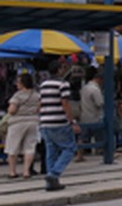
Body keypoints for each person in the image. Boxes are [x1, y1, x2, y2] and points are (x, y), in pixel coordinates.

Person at [38, 58, 81, 190]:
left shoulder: (43, 85)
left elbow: (40, 103)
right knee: (69, 148)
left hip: (45, 122)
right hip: (59, 121)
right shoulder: (63, 84)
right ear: (59, 70)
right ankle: (54, 174)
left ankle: (51, 182)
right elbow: (65, 103)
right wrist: (72, 121)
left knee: (51, 152)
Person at [6, 72, 40, 179]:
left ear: (22, 83)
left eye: (18, 82)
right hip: (33, 122)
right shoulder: (36, 95)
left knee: (12, 147)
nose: (16, 84)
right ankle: (26, 171)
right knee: (29, 147)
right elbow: (39, 108)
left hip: (17, 122)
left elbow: (12, 110)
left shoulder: (18, 95)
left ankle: (12, 172)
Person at [78, 66, 105, 155]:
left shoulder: (84, 88)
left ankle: (81, 152)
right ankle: (99, 149)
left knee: (84, 137)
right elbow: (99, 103)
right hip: (95, 116)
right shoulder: (95, 89)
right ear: (99, 79)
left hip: (84, 116)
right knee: (99, 135)